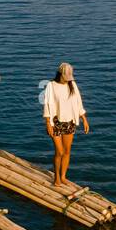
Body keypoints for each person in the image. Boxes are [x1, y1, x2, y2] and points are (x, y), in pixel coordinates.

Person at [43, 62, 89, 193]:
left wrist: (84, 119)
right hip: (56, 122)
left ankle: (63, 177)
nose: (68, 79)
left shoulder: (72, 85)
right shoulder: (51, 86)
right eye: (66, 76)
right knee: (60, 151)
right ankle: (56, 178)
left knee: (67, 151)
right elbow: (47, 104)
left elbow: (79, 103)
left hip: (70, 122)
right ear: (60, 74)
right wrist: (48, 123)